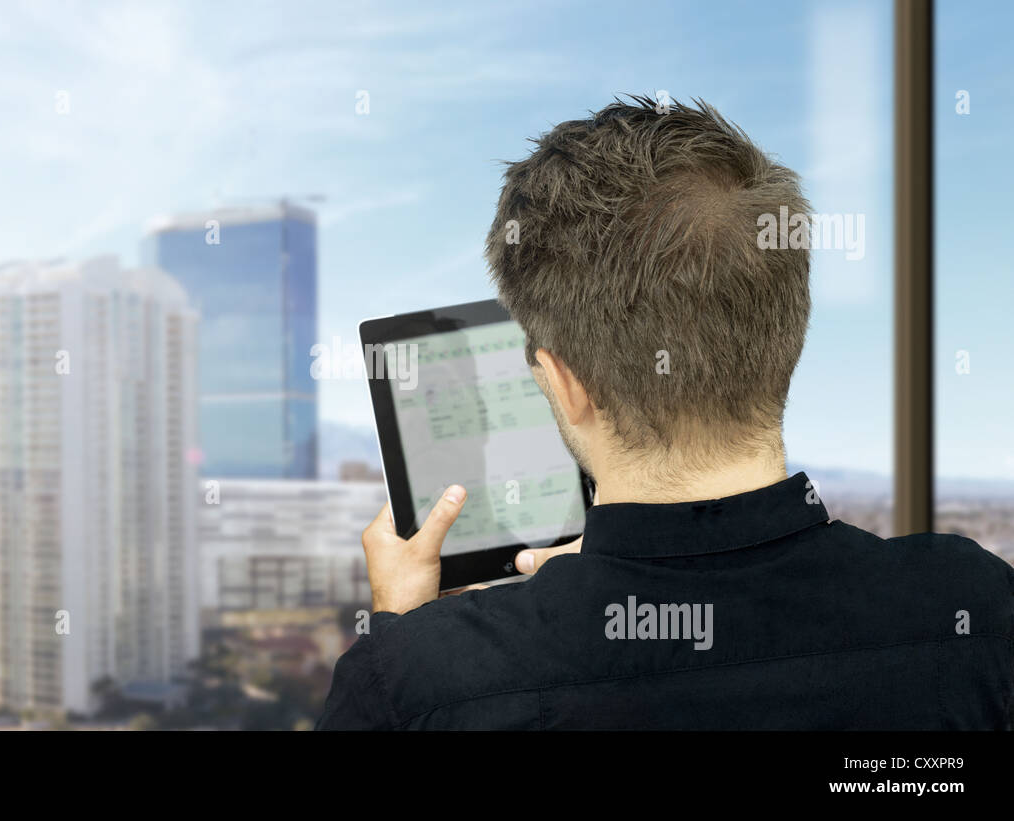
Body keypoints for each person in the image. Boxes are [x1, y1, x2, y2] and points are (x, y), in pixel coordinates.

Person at [316, 96, 1014, 730]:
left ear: (564, 382)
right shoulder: (975, 607)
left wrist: (403, 637)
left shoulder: (418, 681)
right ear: (788, 332)